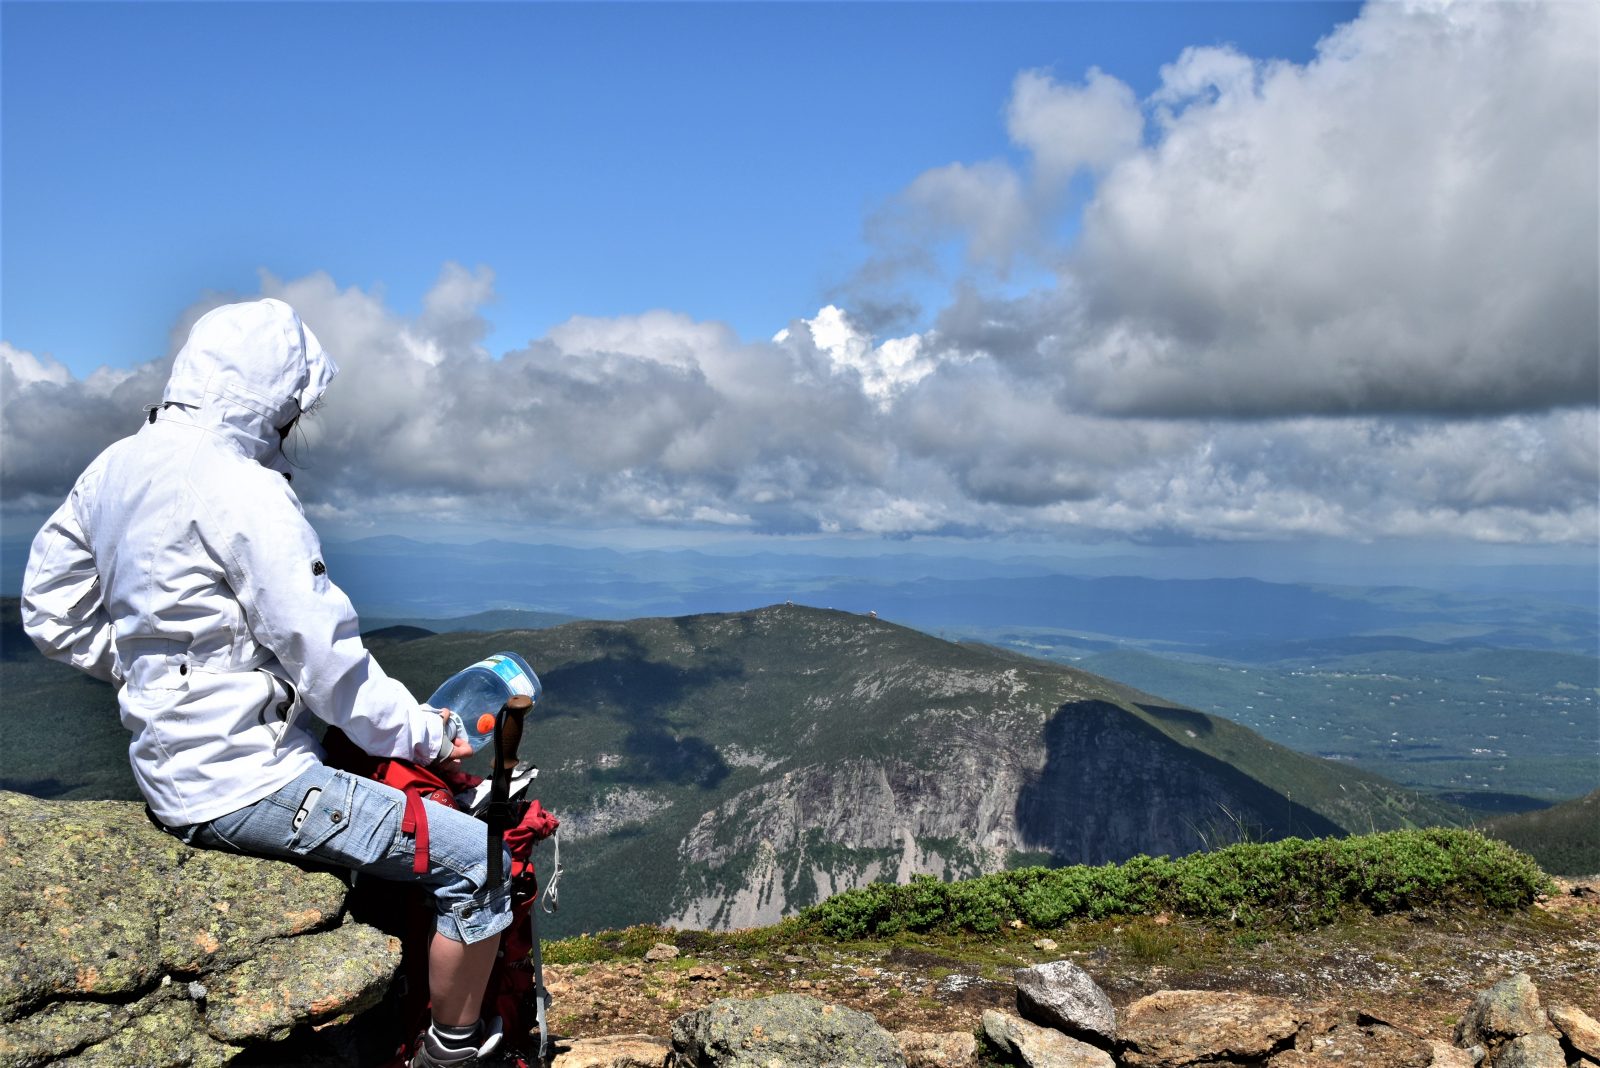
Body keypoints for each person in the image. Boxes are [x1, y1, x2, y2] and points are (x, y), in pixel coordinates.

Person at [22, 298, 508, 1068]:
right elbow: (326, 659)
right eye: (293, 406)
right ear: (270, 397)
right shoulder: (243, 487)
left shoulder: (114, 466)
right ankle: (453, 1051)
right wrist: (433, 733)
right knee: (479, 865)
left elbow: (49, 613)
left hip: (167, 770)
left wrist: (156, 672)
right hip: (249, 782)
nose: (294, 423)